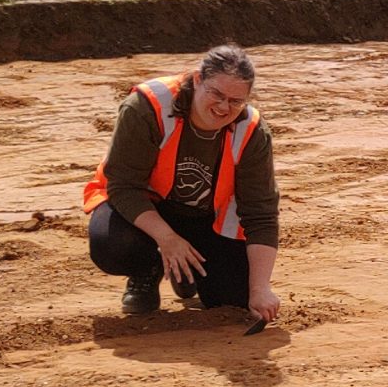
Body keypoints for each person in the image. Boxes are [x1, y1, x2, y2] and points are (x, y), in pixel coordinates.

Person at [84, 44, 282, 322]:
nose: (224, 107)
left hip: (204, 219)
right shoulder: (147, 106)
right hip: (143, 210)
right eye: (216, 94)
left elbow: (261, 214)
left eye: (236, 101)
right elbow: (123, 186)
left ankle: (185, 270)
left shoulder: (252, 130)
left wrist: (261, 289)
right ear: (198, 79)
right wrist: (167, 239)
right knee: (113, 246)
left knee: (236, 298)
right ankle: (147, 272)